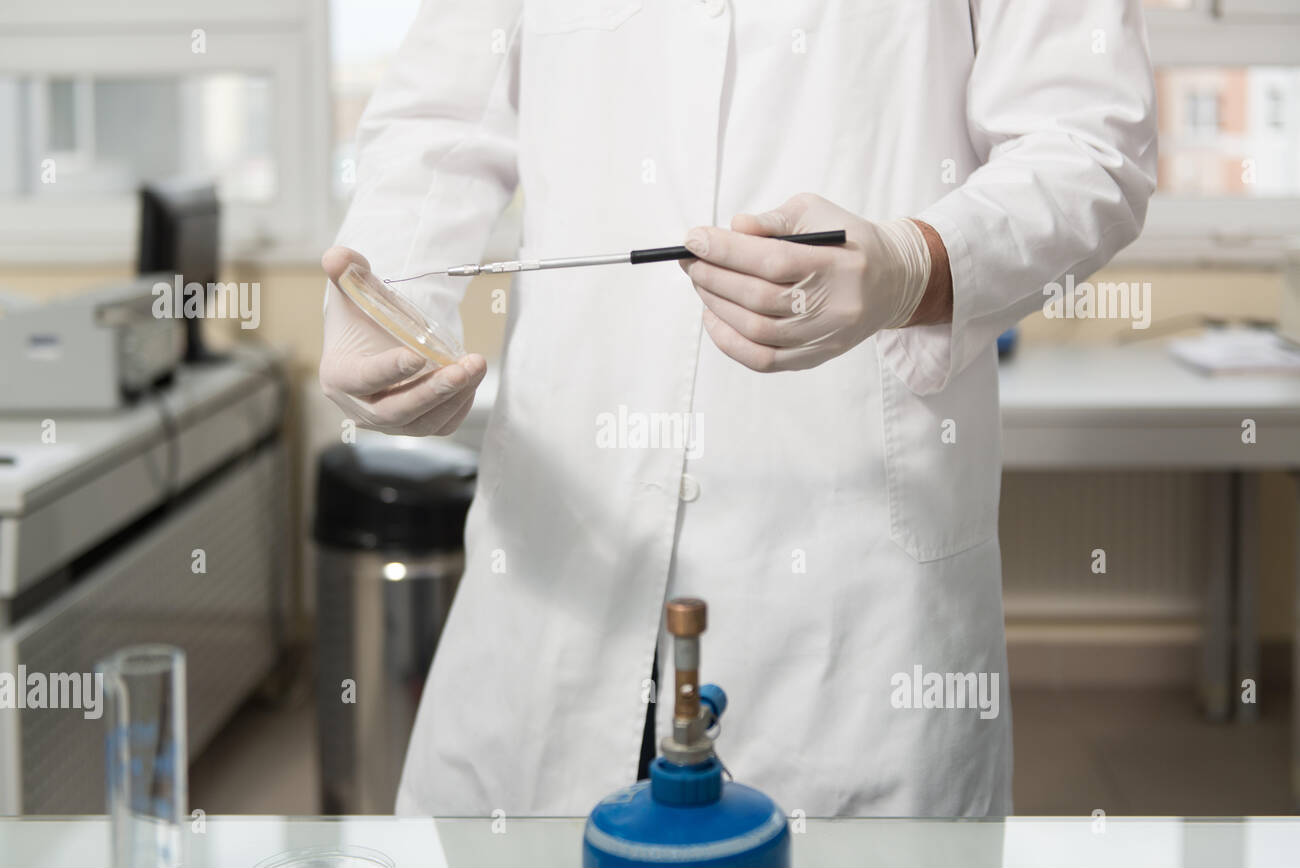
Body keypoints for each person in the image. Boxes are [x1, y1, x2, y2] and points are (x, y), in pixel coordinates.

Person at [320, 0, 1156, 817]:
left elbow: (1088, 145)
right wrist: (389, 304)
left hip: (850, 590)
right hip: (563, 542)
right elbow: (437, 119)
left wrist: (915, 264)